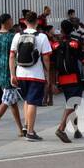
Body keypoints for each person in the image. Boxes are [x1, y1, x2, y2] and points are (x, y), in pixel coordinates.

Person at [10, 11, 51, 141]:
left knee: (27, 99)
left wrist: (12, 74)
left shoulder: (17, 35)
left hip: (20, 73)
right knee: (33, 102)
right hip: (36, 74)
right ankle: (31, 132)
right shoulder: (42, 37)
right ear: (37, 22)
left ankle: (26, 126)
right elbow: (46, 58)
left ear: (24, 22)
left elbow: (11, 56)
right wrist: (47, 73)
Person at [52, 19, 84, 143]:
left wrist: (53, 82)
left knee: (72, 104)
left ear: (62, 30)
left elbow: (52, 66)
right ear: (72, 30)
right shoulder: (75, 43)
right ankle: (61, 128)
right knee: (72, 104)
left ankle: (76, 130)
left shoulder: (56, 45)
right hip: (74, 78)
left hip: (62, 79)